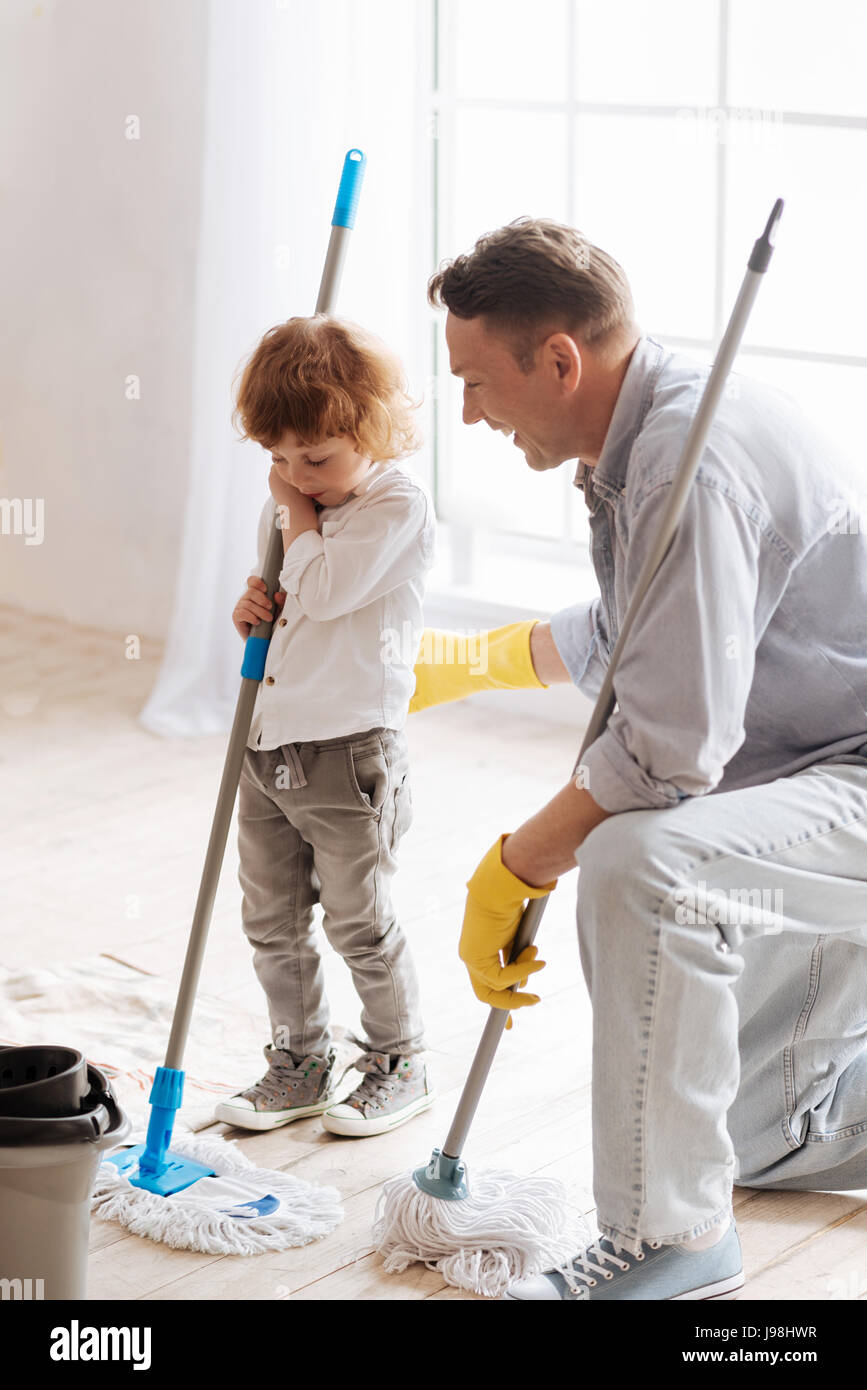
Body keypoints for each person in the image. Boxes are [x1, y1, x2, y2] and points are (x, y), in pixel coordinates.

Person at [414, 218, 867, 1300]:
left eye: (476, 381)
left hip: (847, 781)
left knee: (640, 866)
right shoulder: (649, 424)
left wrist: (521, 859)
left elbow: (666, 751)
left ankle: (670, 1240)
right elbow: (654, 627)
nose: (469, 412)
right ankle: (709, 1183)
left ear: (558, 359)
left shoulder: (687, 456)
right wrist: (477, 659)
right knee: (764, 1136)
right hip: (803, 781)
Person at [215, 315, 436, 1138]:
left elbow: (333, 589)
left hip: (348, 752)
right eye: (277, 457)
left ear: (371, 430)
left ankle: (398, 1060)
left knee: (358, 921)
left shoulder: (395, 506)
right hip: (266, 745)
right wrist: (252, 616)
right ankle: (299, 1058)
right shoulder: (292, 507)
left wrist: (293, 522)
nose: (294, 477)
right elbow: (292, 611)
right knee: (270, 921)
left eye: (316, 458)